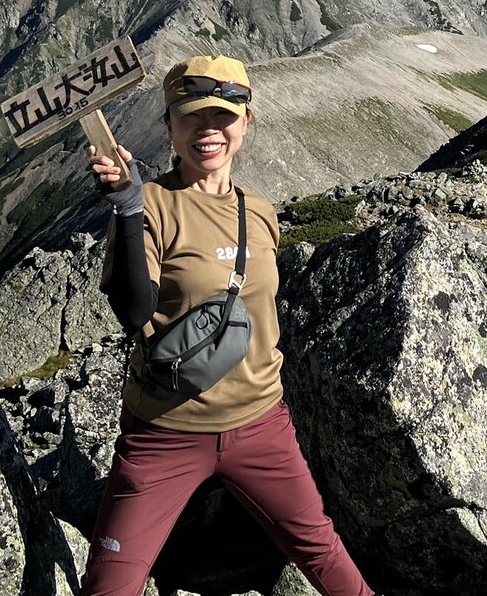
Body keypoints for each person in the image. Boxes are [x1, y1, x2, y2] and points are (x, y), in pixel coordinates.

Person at [82, 55, 374, 596]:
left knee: (322, 551)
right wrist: (125, 208)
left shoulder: (260, 212)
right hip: (163, 430)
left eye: (223, 116)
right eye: (190, 117)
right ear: (168, 126)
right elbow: (133, 313)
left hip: (262, 423)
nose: (207, 130)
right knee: (110, 586)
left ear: (246, 122)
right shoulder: (151, 204)